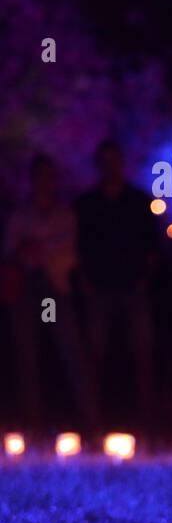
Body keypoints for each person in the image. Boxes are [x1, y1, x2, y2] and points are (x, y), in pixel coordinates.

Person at [5, 154, 99, 432]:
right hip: (25, 292)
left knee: (67, 349)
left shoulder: (64, 215)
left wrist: (36, 249)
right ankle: (32, 425)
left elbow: (65, 254)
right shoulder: (20, 215)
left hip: (51, 294)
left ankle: (90, 423)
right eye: (40, 176)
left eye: (50, 176)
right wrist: (29, 252)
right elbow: (12, 252)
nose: (45, 182)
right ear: (32, 180)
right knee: (27, 355)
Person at [75, 140, 159, 432]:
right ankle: (93, 417)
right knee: (95, 352)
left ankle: (146, 419)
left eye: (115, 160)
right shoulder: (87, 204)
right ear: (99, 164)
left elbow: (152, 245)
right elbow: (79, 246)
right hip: (99, 289)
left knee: (142, 351)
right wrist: (85, 280)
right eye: (105, 160)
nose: (111, 166)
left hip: (133, 287)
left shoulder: (138, 201)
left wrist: (145, 278)